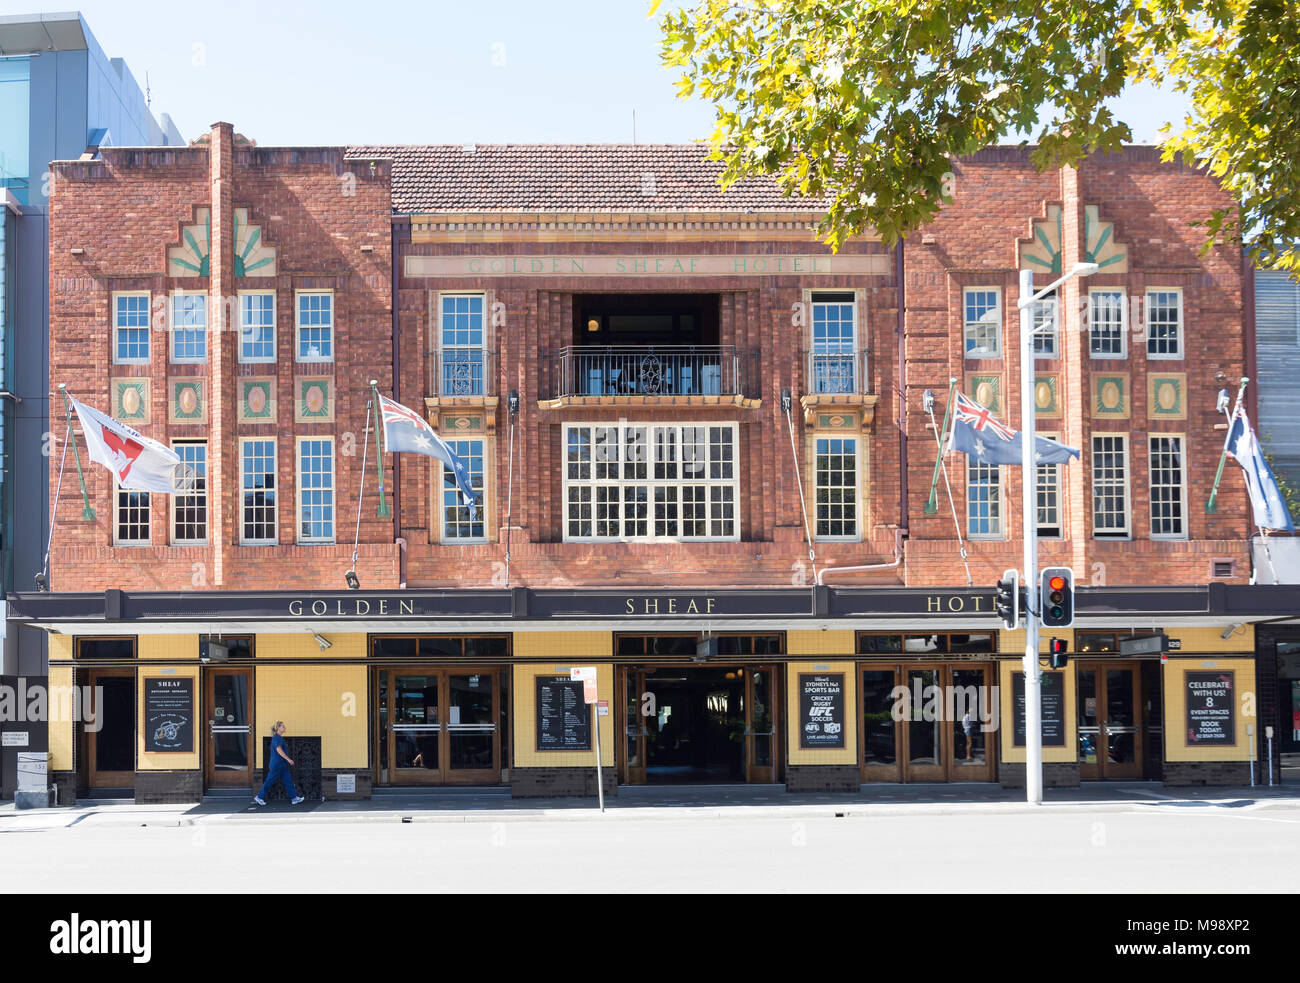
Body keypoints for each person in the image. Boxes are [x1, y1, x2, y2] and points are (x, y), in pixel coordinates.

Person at [253, 721, 305, 805]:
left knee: (288, 781)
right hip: (277, 765)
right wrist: (288, 759)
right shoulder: (277, 738)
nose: (284, 727)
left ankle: (294, 798)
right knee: (270, 781)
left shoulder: (278, 738)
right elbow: (279, 750)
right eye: (282, 726)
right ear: (278, 728)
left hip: (282, 765)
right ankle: (259, 797)